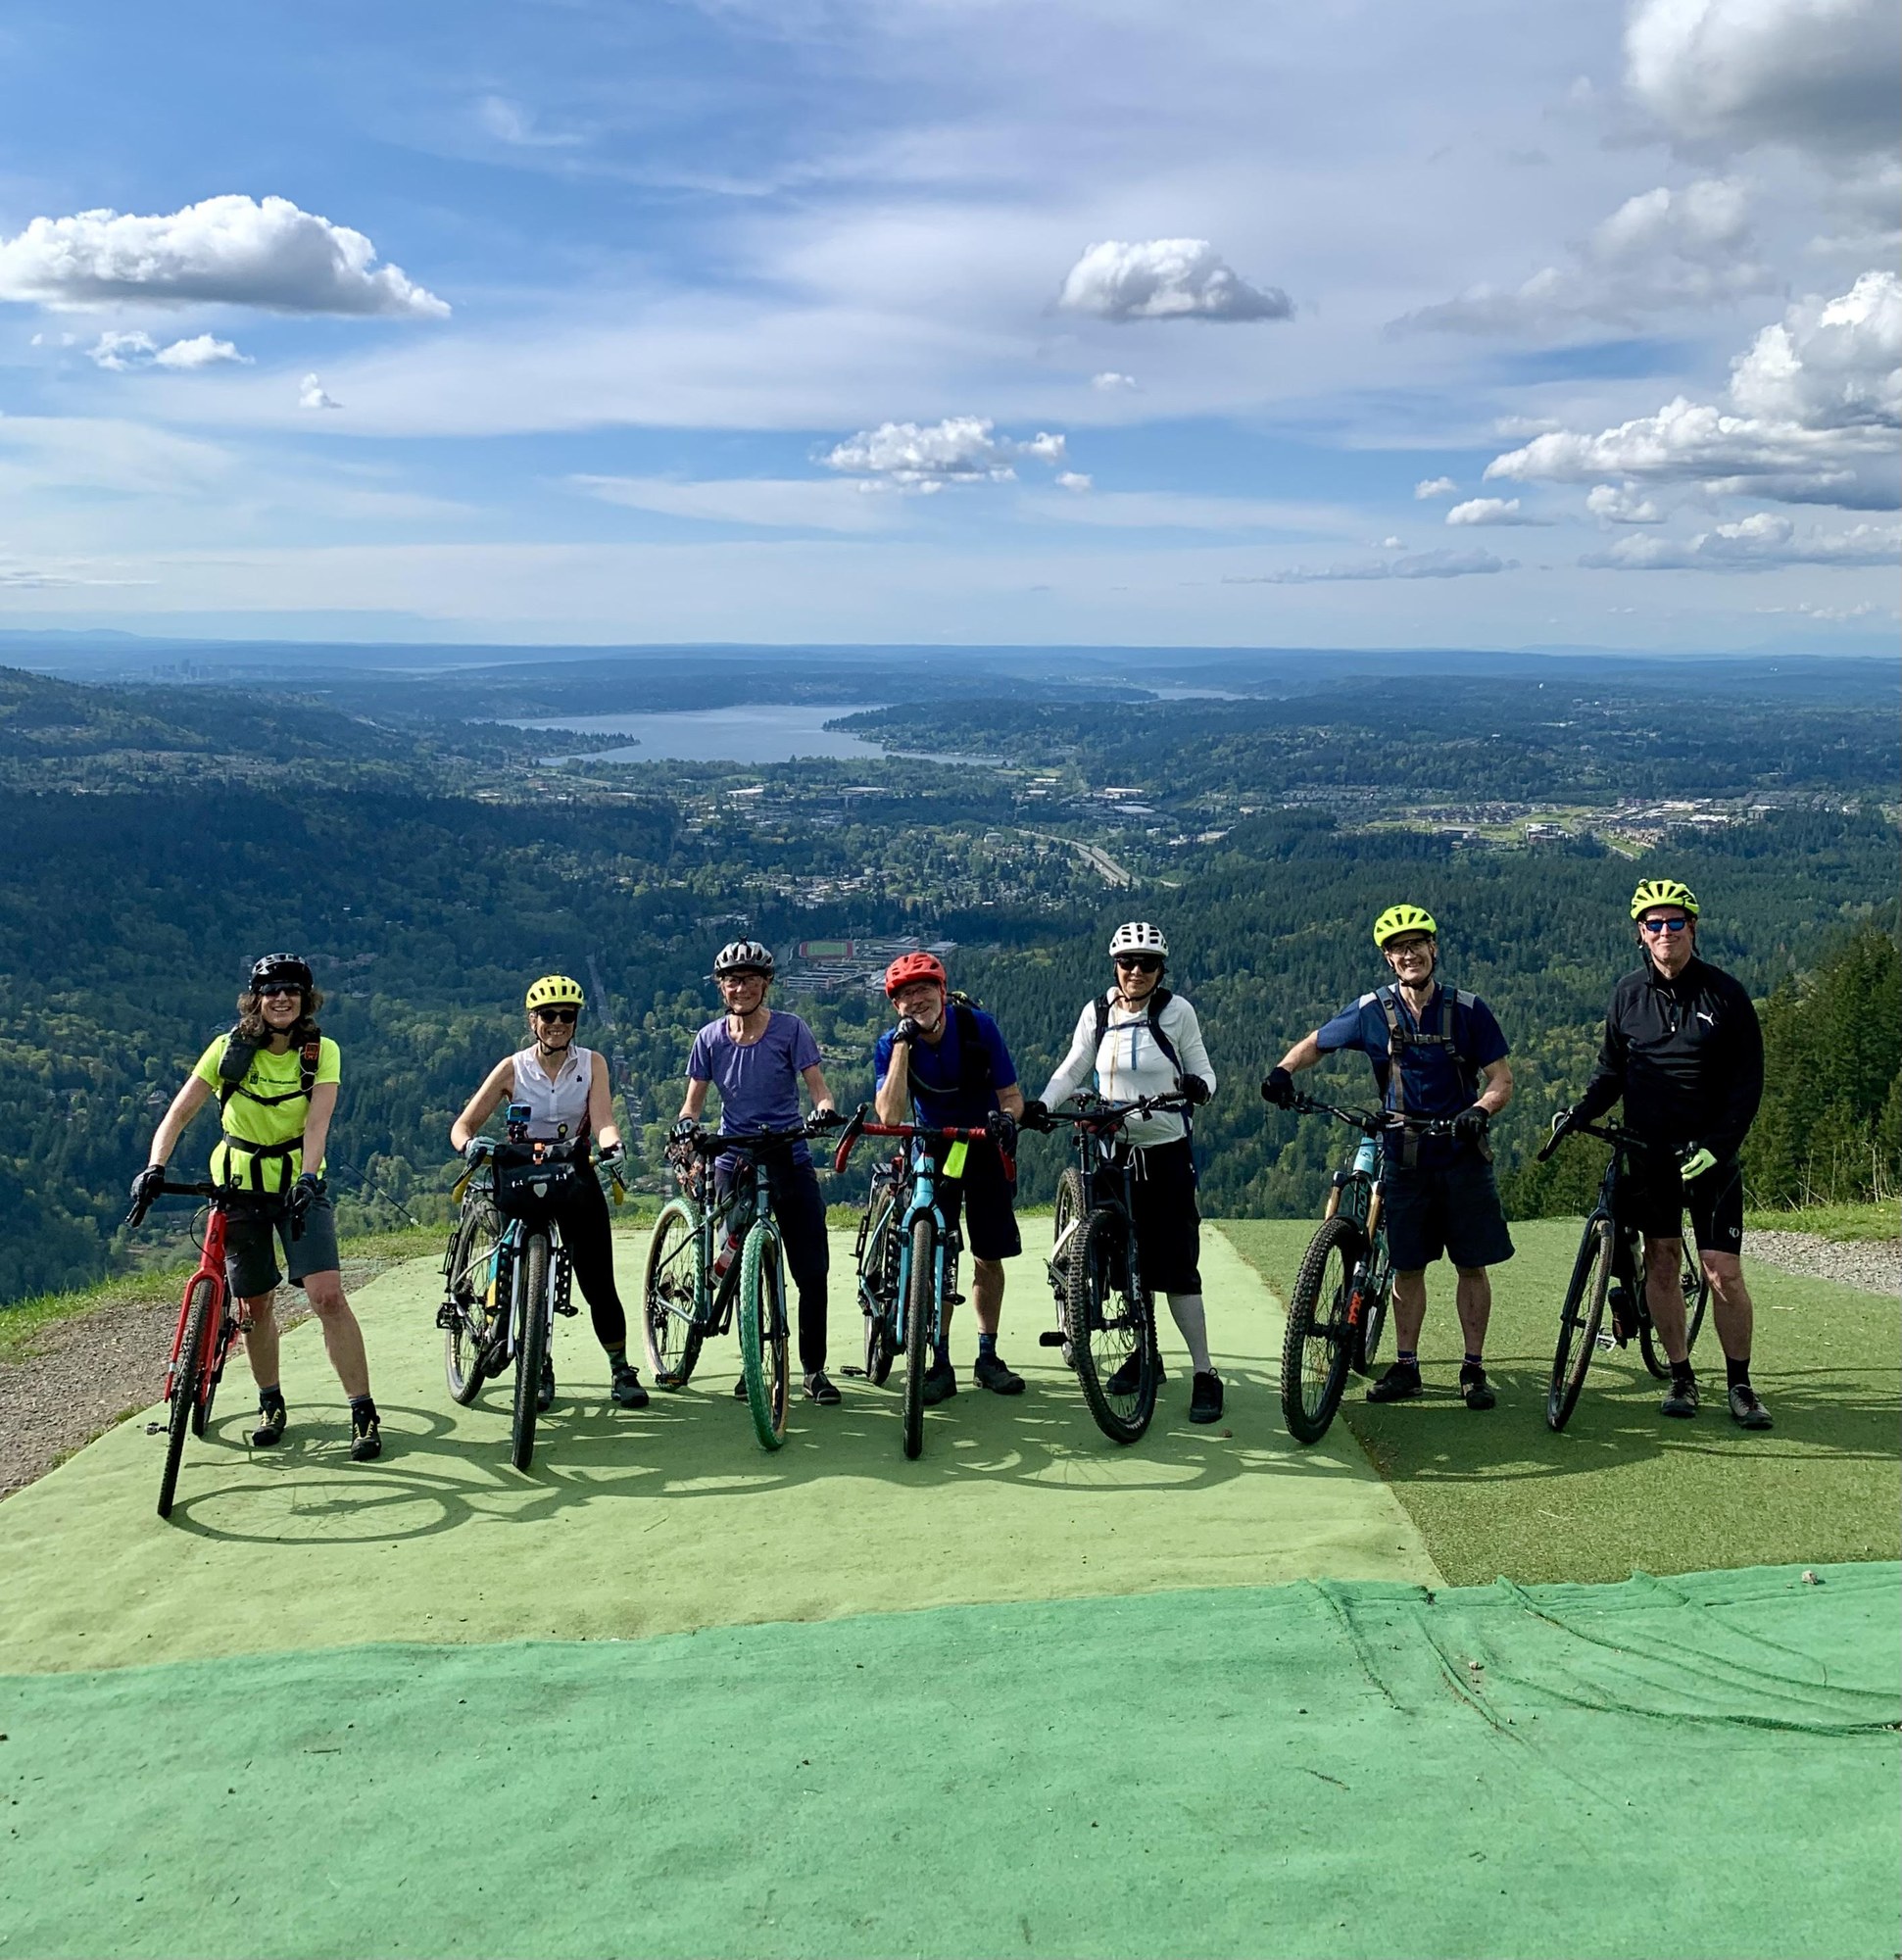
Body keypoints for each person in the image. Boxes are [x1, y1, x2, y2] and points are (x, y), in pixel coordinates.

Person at [130, 954, 383, 1461]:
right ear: (256, 999)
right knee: (256, 1304)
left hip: (297, 1188)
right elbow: (178, 1114)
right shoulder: (227, 1051)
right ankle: (271, 1403)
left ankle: (362, 1411)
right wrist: (155, 1166)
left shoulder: (320, 1052)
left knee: (328, 1297)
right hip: (237, 1187)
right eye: (271, 991)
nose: (281, 998)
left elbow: (318, 1124)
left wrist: (310, 1177)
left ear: (306, 1000)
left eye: (291, 990)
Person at [1263, 904, 1514, 1410]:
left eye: (1417, 944)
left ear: (1433, 949)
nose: (1409, 954)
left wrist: (1479, 1112)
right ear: (1387, 958)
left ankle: (1473, 1367)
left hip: (1461, 1154)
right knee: (1407, 1266)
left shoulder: (1468, 1009)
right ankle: (1407, 1366)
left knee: (1470, 1265)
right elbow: (1317, 1043)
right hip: (1402, 1153)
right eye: (1398, 948)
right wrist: (1282, 1072)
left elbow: (1502, 1079)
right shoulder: (1371, 1010)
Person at [1556, 878, 1770, 1429]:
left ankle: (1741, 1385)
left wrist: (1719, 1147)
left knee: (1722, 1273)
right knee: (1663, 1262)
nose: (1665, 932)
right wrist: (1581, 1111)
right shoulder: (1628, 994)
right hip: (1649, 1153)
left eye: (1676, 922)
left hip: (1710, 1157)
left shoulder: (1726, 995)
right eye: (1654, 924)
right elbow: (1611, 1073)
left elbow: (1748, 1085)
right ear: (1640, 935)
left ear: (1692, 929)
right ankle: (1680, 1375)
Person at [1029, 921, 1223, 1423]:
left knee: (1176, 1266)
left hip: (1164, 1151)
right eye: (1127, 962)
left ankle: (1205, 1374)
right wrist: (1044, 1105)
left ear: (1161, 970)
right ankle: (1146, 1354)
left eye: (1147, 963)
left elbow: (1203, 1068)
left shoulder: (1176, 1012)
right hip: (1113, 1151)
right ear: (1115, 965)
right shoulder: (1098, 1012)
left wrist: (1199, 1087)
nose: (1136, 971)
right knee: (1121, 1260)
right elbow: (1074, 1067)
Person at [450, 974, 649, 1411]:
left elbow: (602, 1119)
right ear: (532, 1020)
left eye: (567, 1015)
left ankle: (620, 1368)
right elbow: (463, 1126)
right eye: (548, 1015)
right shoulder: (512, 1068)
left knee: (598, 1281)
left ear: (576, 1021)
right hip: (519, 1177)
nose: (557, 1023)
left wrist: (612, 1144)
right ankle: (535, 1363)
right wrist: (469, 1145)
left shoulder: (592, 1063)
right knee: (515, 1280)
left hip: (572, 1173)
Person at [676, 940, 843, 1405]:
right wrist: (688, 1128)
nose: (741, 986)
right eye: (732, 979)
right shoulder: (709, 1038)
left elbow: (818, 1091)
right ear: (720, 986)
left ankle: (813, 1370)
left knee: (811, 1272)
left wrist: (824, 1113)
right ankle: (752, 1364)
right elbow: (693, 1104)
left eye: (751, 978)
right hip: (736, 1156)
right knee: (740, 1264)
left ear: (766, 984)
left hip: (788, 1153)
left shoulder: (791, 1031)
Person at [873, 951, 1028, 1401]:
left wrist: (1006, 1120)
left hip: (980, 1141)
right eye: (904, 995)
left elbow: (1012, 1096)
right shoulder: (890, 1043)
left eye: (923, 989)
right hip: (931, 1144)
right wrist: (903, 1045)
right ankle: (939, 1361)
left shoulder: (979, 1027)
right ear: (895, 1005)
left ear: (942, 991)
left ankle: (987, 1356)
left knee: (987, 1255)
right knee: (934, 1253)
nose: (915, 999)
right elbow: (890, 1116)